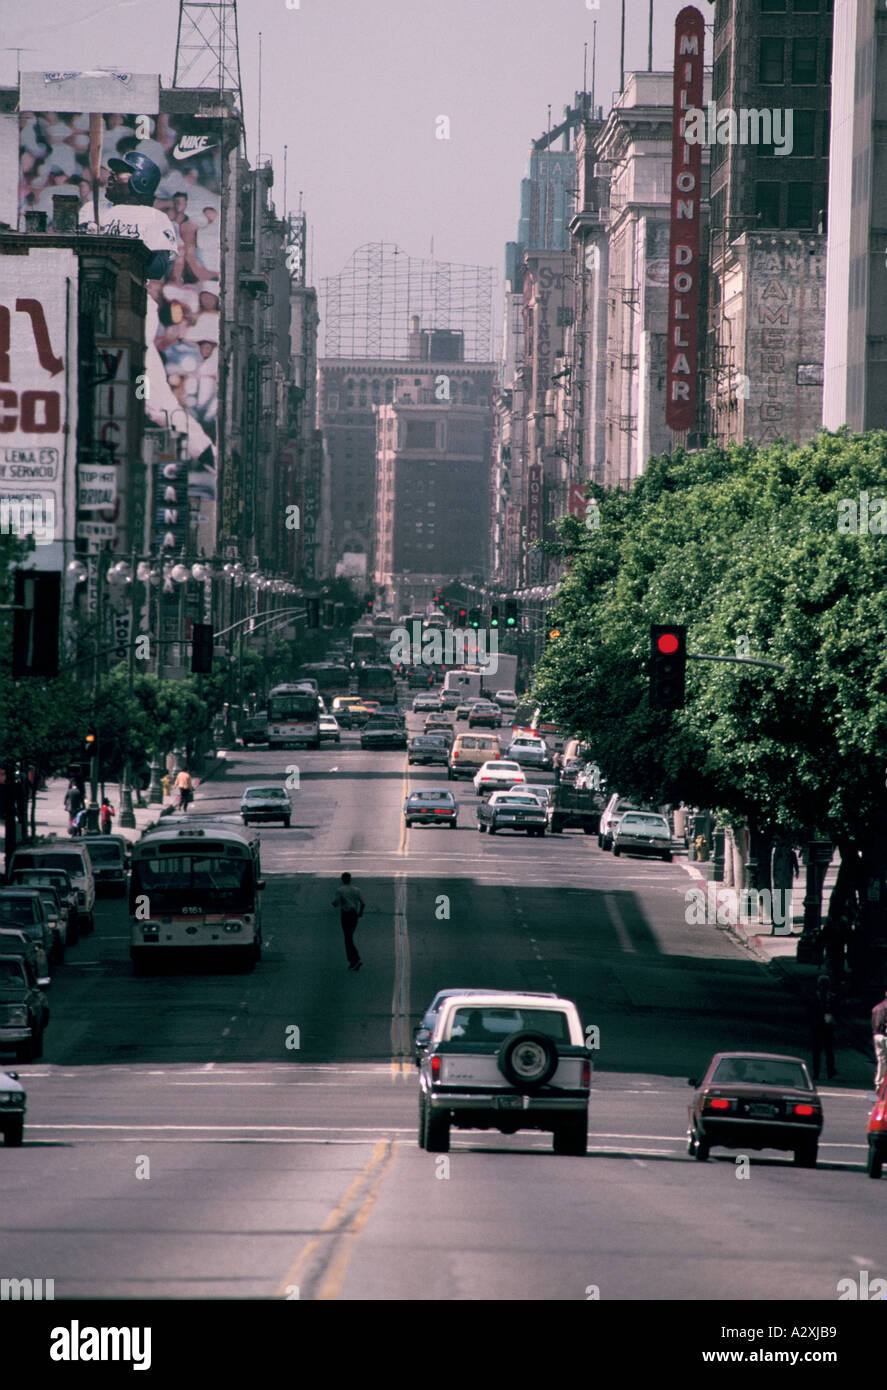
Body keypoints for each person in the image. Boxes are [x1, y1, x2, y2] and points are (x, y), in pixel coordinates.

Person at [332, 871, 365, 971]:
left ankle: (354, 959)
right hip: (354, 914)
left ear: (342, 880)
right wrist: (360, 913)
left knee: (347, 937)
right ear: (350, 879)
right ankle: (353, 960)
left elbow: (335, 903)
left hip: (345, 914)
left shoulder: (340, 890)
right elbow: (363, 903)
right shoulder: (357, 890)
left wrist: (334, 902)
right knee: (349, 936)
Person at [810, 972, 837, 1082]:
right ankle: (818, 1072)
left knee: (826, 1051)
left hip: (826, 1027)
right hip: (818, 1027)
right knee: (821, 1051)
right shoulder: (815, 997)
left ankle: (829, 1071)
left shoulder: (830, 997)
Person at [872, 987, 887, 1091]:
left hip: (877, 1035)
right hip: (885, 1035)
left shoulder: (876, 1007)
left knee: (881, 1060)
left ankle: (879, 1083)